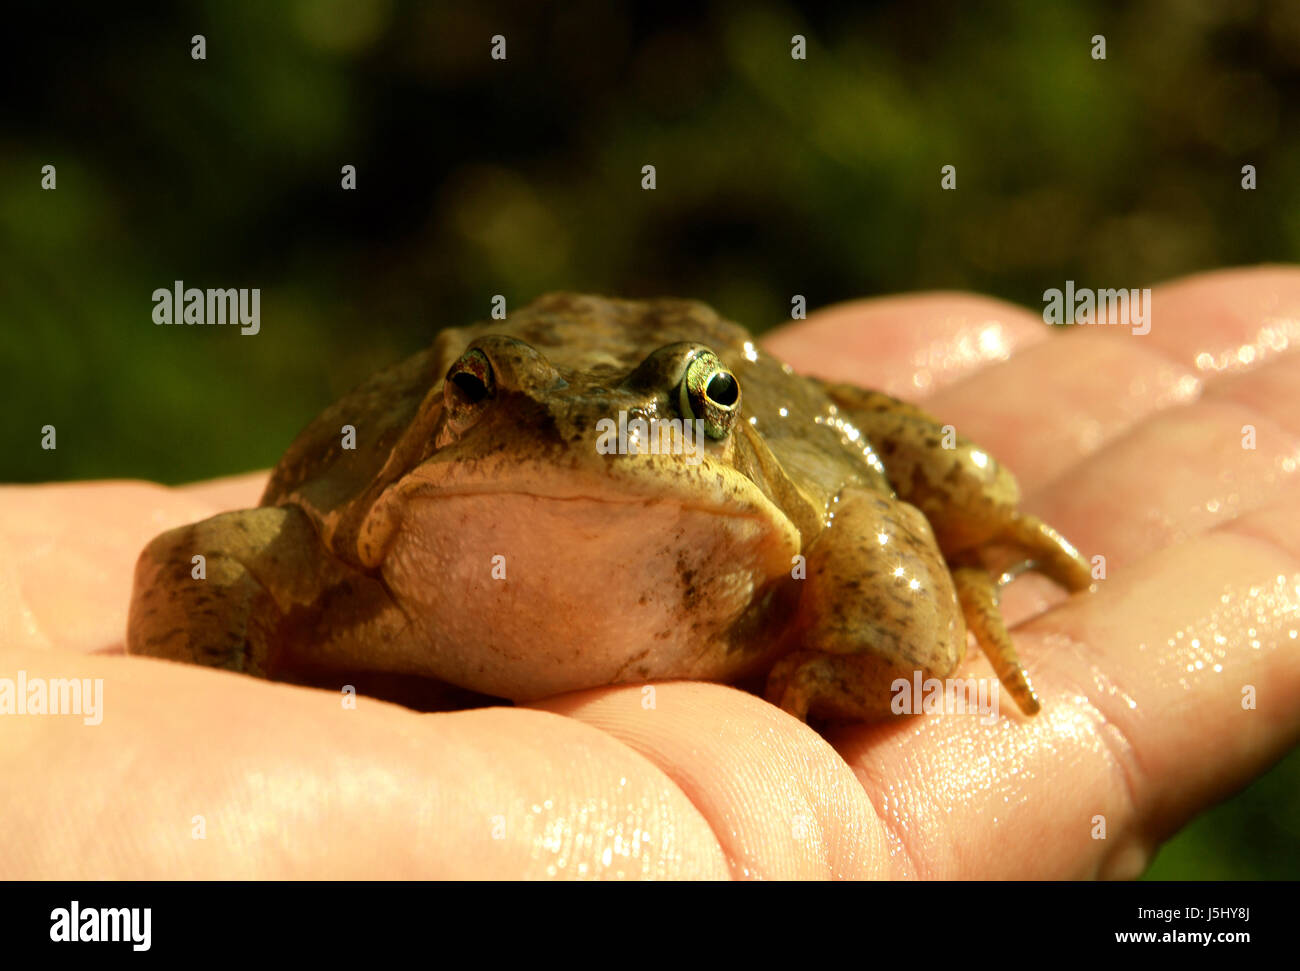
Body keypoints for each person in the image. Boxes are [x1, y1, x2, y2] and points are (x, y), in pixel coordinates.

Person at [3, 266, 1298, 878]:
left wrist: (914, 594)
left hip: (732, 395)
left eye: (671, 420)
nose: (590, 449)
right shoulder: (337, 565)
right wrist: (229, 712)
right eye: (491, 404)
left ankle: (797, 437)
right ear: (457, 402)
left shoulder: (801, 528)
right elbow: (202, 562)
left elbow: (893, 606)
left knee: (965, 483)